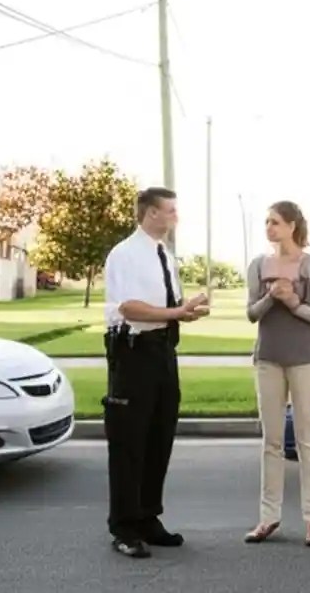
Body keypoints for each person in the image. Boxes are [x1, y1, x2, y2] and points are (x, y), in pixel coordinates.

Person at [102, 186, 210, 559]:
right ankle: (124, 527)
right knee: (129, 440)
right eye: (170, 210)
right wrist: (175, 314)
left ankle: (148, 517)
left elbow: (167, 305)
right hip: (133, 354)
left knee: (159, 436)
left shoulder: (164, 254)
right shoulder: (126, 254)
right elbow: (130, 308)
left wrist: (187, 309)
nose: (175, 217)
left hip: (164, 351)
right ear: (150, 214)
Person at [242, 201, 310, 547]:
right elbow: (252, 312)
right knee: (272, 441)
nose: (269, 227)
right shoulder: (258, 265)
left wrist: (293, 301)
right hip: (268, 358)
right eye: (266, 221)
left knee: (306, 438)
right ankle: (268, 517)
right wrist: (269, 298)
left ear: (292, 225)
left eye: (275, 222)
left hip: (304, 360)